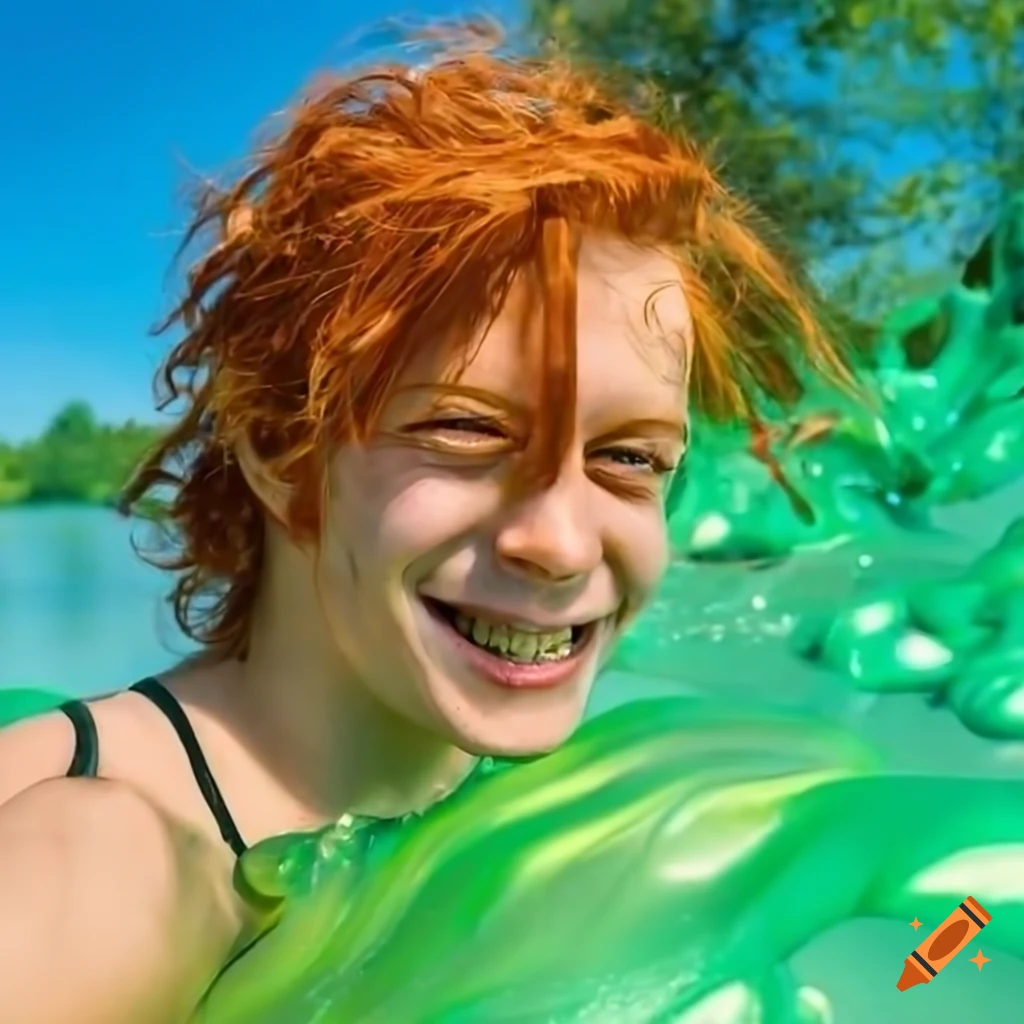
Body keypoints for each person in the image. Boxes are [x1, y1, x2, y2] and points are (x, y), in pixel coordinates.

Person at [0, 29, 849, 1023]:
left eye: (628, 458)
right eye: (464, 428)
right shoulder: (96, 866)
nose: (565, 543)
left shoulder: (557, 810)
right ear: (278, 448)